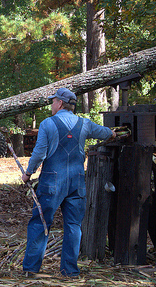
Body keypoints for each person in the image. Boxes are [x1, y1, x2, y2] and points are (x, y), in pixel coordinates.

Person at [20, 87, 115, 277]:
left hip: (52, 182)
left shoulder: (48, 124)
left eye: (53, 101)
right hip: (77, 182)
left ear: (60, 103)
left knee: (40, 222)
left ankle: (31, 269)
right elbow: (106, 133)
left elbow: (39, 153)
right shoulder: (85, 124)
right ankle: (70, 271)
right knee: (73, 225)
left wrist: (28, 173)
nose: (51, 104)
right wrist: (113, 134)